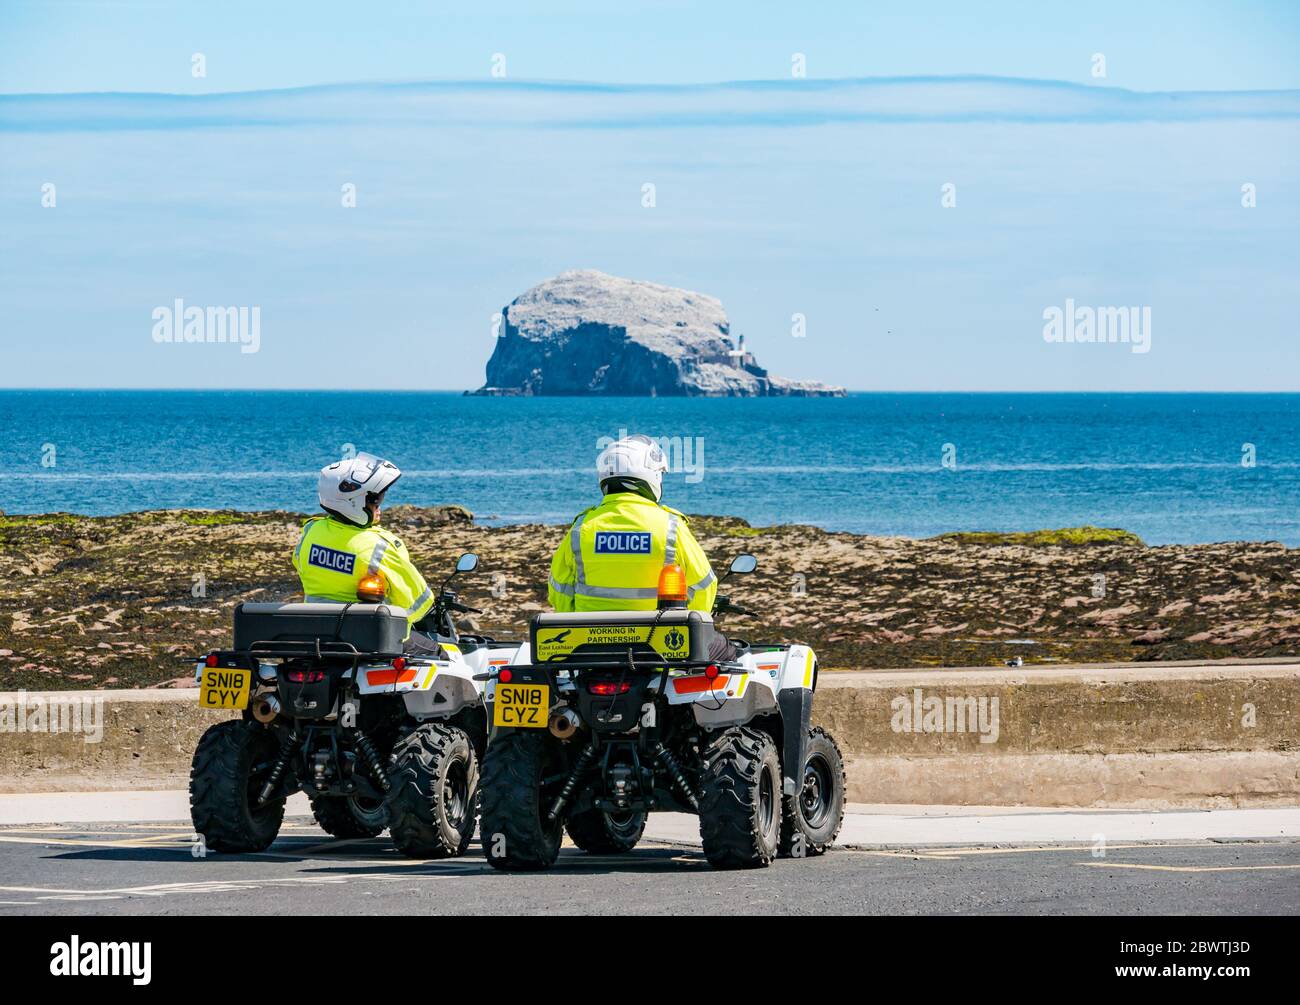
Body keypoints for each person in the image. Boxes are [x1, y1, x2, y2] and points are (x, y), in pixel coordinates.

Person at [548, 433, 735, 661]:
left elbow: (559, 590)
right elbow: (704, 584)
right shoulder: (669, 526)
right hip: (659, 650)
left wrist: (577, 630)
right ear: (650, 476)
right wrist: (690, 626)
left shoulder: (581, 528)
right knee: (729, 651)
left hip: (590, 650)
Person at [292, 452, 441, 655]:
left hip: (316, 634)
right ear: (354, 502)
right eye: (375, 499)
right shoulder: (380, 546)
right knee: (442, 655)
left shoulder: (310, 532)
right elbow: (418, 604)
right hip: (372, 639)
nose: (379, 505)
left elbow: (299, 564)